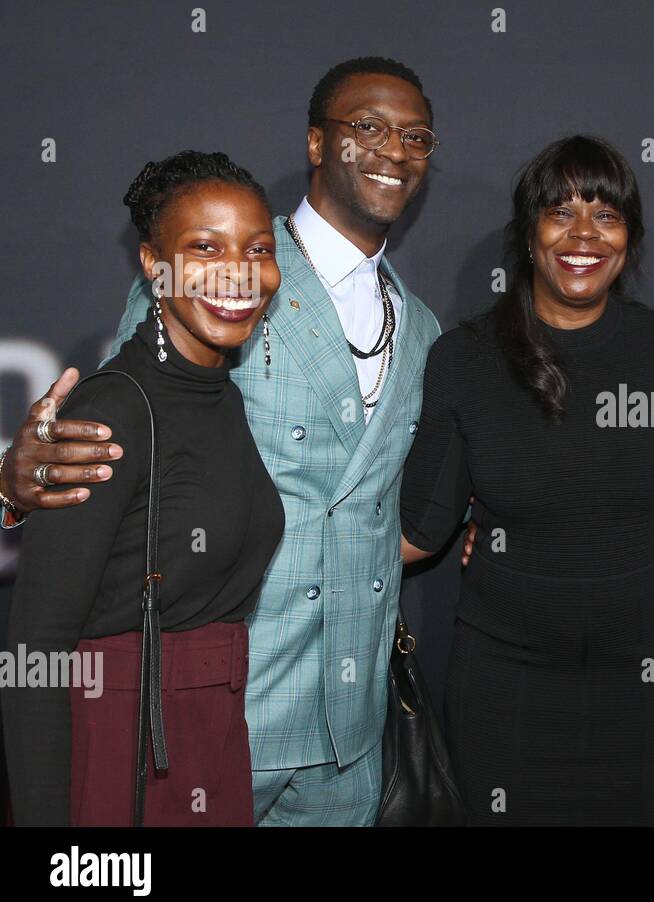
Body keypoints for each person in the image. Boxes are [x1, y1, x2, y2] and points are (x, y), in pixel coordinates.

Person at [0, 57, 443, 826]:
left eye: (415, 136)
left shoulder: (424, 327)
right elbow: (112, 448)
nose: (392, 150)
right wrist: (12, 489)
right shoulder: (208, 262)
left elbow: (381, 508)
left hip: (350, 728)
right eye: (365, 128)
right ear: (315, 142)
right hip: (213, 714)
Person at [399, 135, 654, 825]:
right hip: (504, 678)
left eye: (606, 215)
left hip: (642, 677)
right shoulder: (466, 358)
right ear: (528, 233)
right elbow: (422, 528)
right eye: (560, 212)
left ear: (630, 238)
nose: (583, 234)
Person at [2, 152, 284, 825]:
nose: (239, 271)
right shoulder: (112, 412)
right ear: (154, 265)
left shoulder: (224, 399)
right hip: (119, 757)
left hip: (208, 745)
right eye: (205, 247)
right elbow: (35, 651)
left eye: (259, 248)